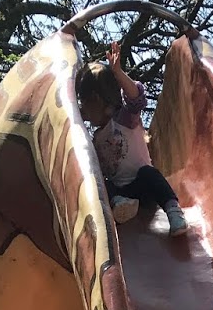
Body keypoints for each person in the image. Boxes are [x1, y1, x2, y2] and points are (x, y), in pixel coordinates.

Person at [76, 42, 187, 236]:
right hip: (123, 193)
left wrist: (118, 73)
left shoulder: (124, 119)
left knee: (149, 173)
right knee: (103, 184)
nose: (82, 110)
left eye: (84, 104)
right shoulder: (95, 138)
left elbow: (136, 97)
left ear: (97, 100)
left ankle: (173, 209)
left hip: (144, 188)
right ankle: (120, 205)